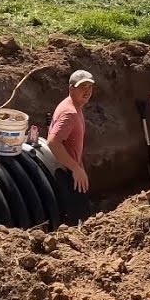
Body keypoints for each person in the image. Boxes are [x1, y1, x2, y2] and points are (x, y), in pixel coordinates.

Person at [48, 69, 95, 222]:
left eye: (89, 87)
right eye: (82, 87)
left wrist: (79, 165)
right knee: (76, 220)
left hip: (71, 169)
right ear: (71, 89)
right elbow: (53, 142)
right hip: (67, 175)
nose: (87, 91)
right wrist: (75, 169)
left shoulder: (74, 106)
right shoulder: (70, 113)